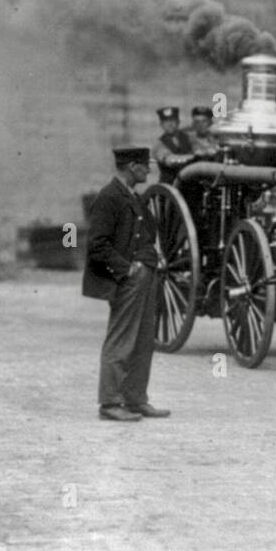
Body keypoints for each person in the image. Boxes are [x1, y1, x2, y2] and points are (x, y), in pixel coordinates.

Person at [82, 146, 172, 422]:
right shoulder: (109, 197)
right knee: (121, 340)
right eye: (145, 166)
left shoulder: (133, 196)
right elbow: (97, 246)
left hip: (147, 273)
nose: (149, 170)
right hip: (129, 278)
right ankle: (110, 402)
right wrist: (127, 270)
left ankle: (135, 399)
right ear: (133, 167)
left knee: (144, 341)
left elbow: (144, 234)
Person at [151, 106, 199, 181]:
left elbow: (199, 149)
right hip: (170, 184)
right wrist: (193, 157)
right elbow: (170, 160)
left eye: (172, 121)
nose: (170, 124)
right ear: (161, 125)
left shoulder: (189, 138)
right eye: (166, 122)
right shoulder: (159, 144)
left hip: (190, 182)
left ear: (178, 122)